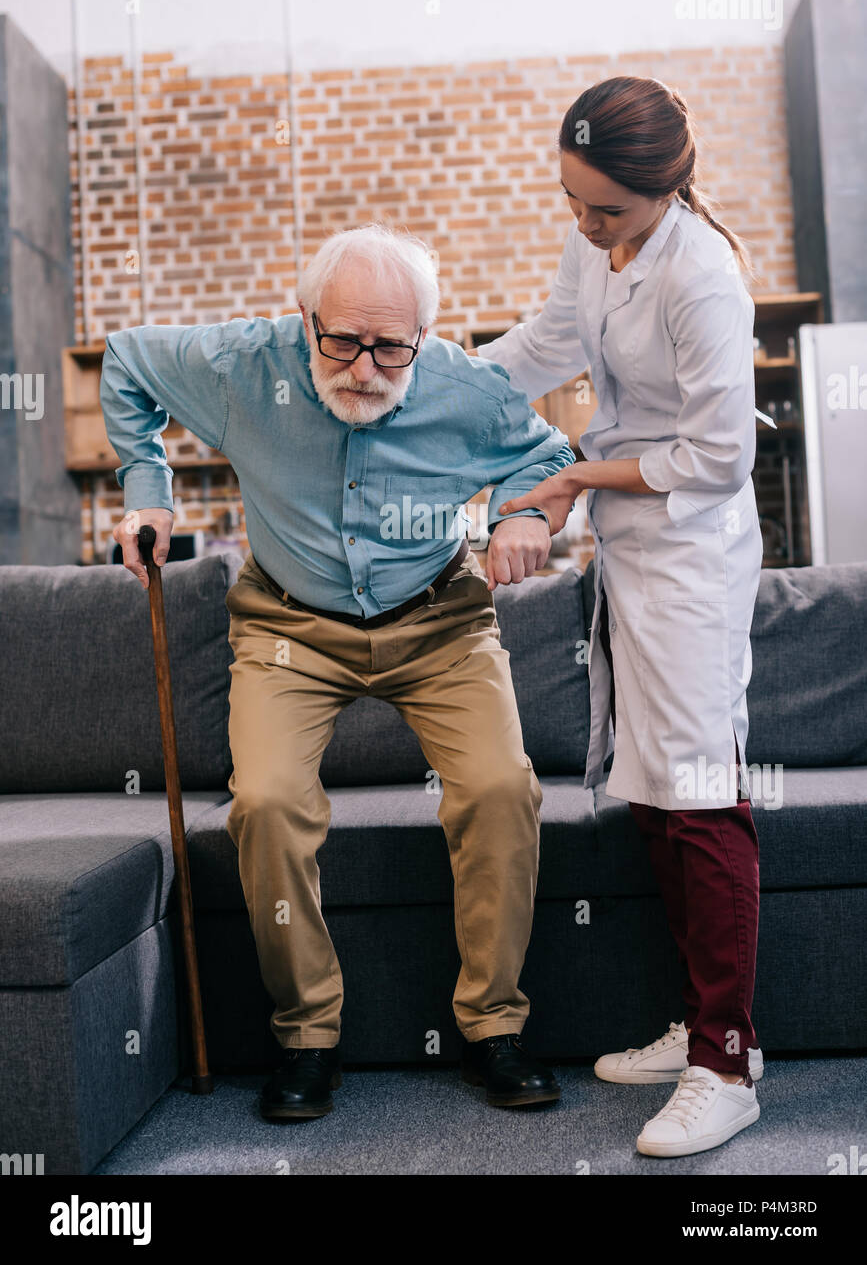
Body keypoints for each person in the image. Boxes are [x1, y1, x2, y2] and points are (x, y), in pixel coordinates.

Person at [101, 223, 571, 1121]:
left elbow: (550, 459)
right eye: (342, 339)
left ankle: (491, 1026)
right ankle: (306, 1034)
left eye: (391, 346)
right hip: (290, 626)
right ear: (304, 314)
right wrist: (145, 487)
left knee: (500, 788)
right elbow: (124, 360)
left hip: (439, 619)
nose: (363, 366)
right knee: (268, 802)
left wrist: (525, 518)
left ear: (425, 337)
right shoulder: (241, 364)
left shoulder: (466, 391)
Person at [476, 76, 765, 1158]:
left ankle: (728, 1062)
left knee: (699, 792)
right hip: (632, 550)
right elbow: (545, 343)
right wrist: (429, 373)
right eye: (571, 201)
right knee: (650, 790)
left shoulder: (705, 279)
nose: (585, 227)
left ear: (665, 187)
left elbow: (719, 456)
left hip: (693, 554)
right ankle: (701, 1022)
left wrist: (570, 478)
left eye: (606, 210)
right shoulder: (594, 248)